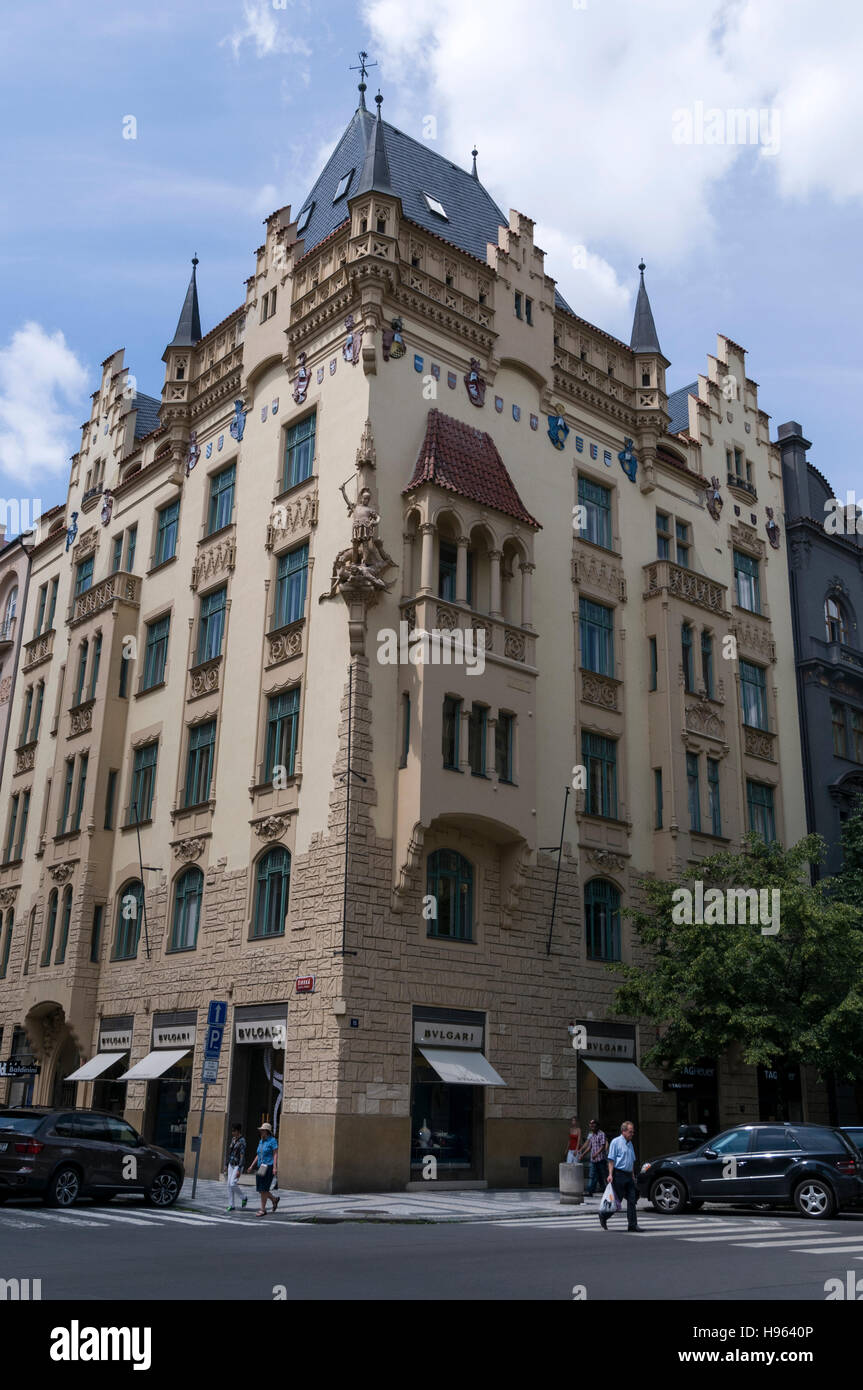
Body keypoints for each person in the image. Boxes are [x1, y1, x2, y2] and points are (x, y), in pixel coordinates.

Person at [600, 1120, 642, 1232]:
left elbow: (631, 1161)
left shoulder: (630, 1144)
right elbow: (611, 1160)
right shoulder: (615, 1142)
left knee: (632, 1200)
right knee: (616, 1201)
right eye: (630, 1132)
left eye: (633, 1132)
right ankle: (604, 1216)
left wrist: (633, 1176)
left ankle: (632, 1225)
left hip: (628, 1175)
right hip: (619, 1175)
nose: (632, 1134)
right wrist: (610, 1174)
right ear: (623, 1131)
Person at [248, 1122, 280, 1217]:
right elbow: (258, 1155)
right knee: (261, 1189)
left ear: (267, 1131)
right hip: (261, 1167)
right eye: (260, 1130)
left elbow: (275, 1154)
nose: (260, 1132)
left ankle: (263, 1209)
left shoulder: (272, 1141)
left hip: (268, 1166)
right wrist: (251, 1166)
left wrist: (274, 1167)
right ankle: (274, 1200)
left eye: (262, 1130)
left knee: (264, 1188)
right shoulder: (261, 1141)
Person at [579, 1118, 608, 1196]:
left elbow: (603, 1146)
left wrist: (596, 1154)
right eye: (591, 1126)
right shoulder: (592, 1135)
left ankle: (606, 1190)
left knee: (602, 1176)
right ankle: (590, 1191)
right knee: (592, 1176)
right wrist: (583, 1154)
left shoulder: (602, 1134)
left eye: (593, 1125)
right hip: (593, 1160)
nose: (592, 1127)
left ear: (597, 1126)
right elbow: (589, 1147)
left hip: (601, 1159)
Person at [226, 1122, 248, 1212]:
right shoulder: (233, 1139)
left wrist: (239, 1168)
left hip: (238, 1165)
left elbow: (242, 1156)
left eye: (234, 1131)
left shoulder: (242, 1141)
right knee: (228, 1185)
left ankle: (244, 1197)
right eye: (232, 1131)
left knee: (232, 1183)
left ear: (238, 1131)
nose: (232, 1133)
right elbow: (230, 1152)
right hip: (231, 1164)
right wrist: (226, 1164)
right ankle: (231, 1205)